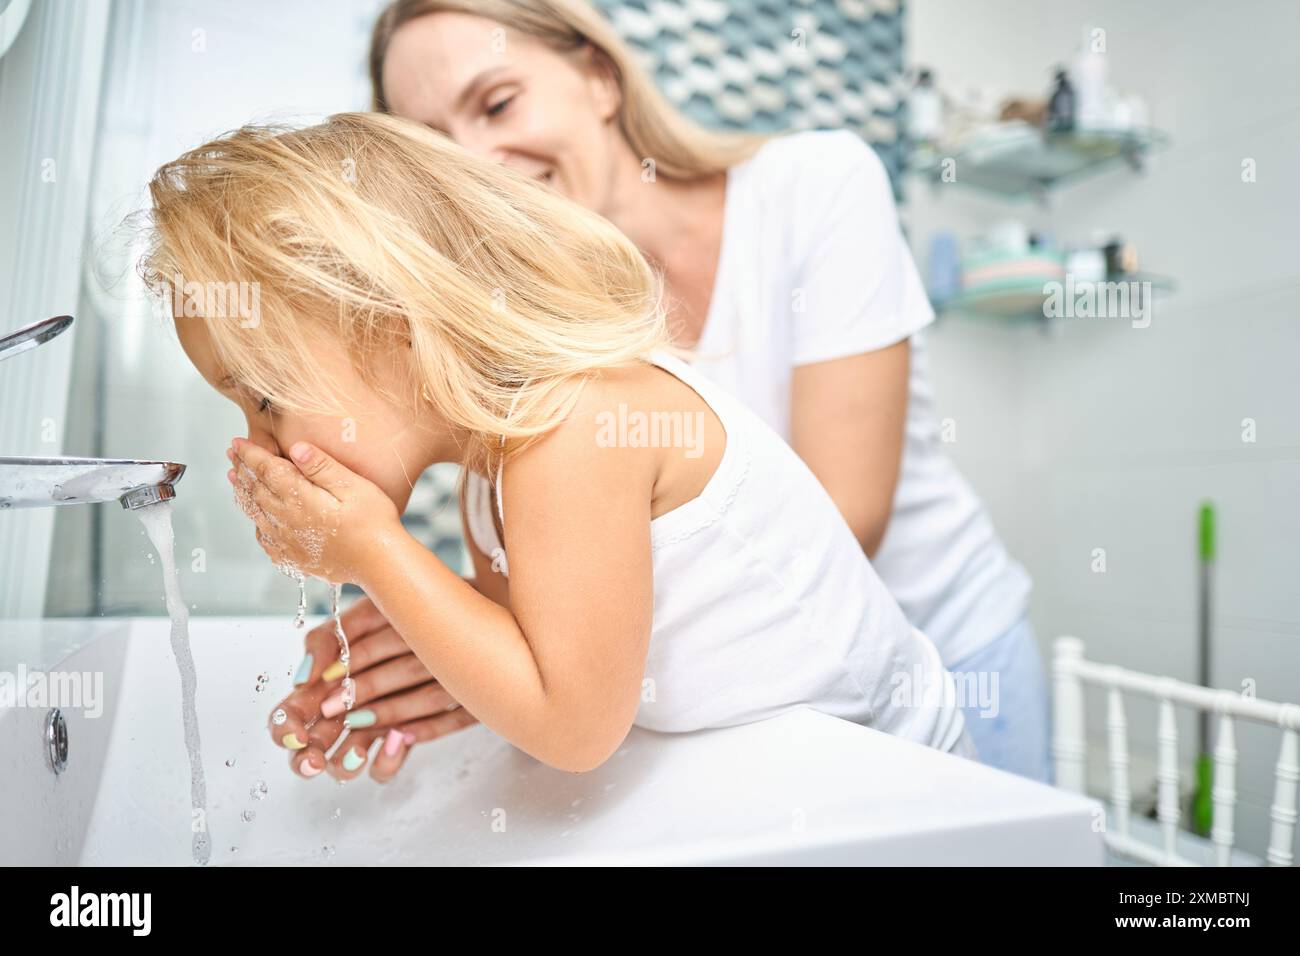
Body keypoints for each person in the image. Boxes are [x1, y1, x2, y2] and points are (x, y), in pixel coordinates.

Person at [144, 112, 974, 776]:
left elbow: (575, 728)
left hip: (900, 774)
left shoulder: (574, 424)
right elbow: (542, 651)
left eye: (264, 397)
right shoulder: (488, 476)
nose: (255, 444)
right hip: (791, 772)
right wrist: (422, 658)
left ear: (388, 321)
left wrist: (372, 553)